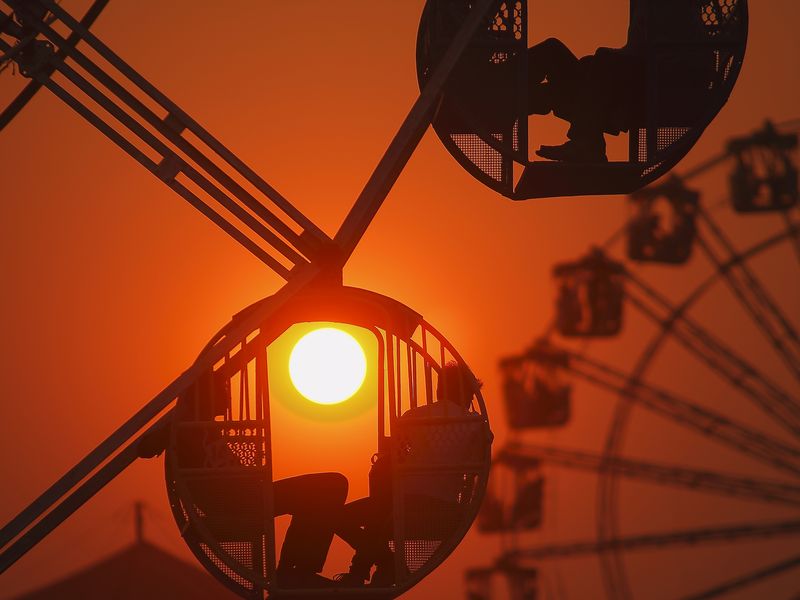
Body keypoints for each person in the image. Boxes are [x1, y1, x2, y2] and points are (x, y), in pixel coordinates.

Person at [334, 362, 488, 586]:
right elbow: (478, 464)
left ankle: (381, 564)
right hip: (445, 506)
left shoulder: (413, 417)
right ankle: (376, 567)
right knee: (380, 511)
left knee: (340, 517)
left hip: (404, 502)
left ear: (439, 388)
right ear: (467, 394)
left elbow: (395, 457)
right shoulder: (475, 424)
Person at [525, 0, 647, 162]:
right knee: (556, 55)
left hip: (641, 87)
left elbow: (660, 56)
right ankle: (587, 143)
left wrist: (604, 61)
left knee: (555, 55)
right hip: (628, 81)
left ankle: (503, 94)